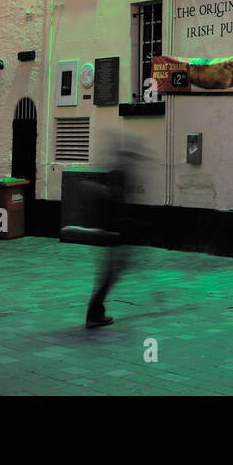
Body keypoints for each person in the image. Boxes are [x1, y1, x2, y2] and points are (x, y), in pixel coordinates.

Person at [85, 136, 141, 328]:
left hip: (110, 232)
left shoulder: (115, 175)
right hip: (111, 233)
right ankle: (94, 313)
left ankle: (96, 311)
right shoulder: (120, 176)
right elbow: (116, 205)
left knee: (109, 274)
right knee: (109, 275)